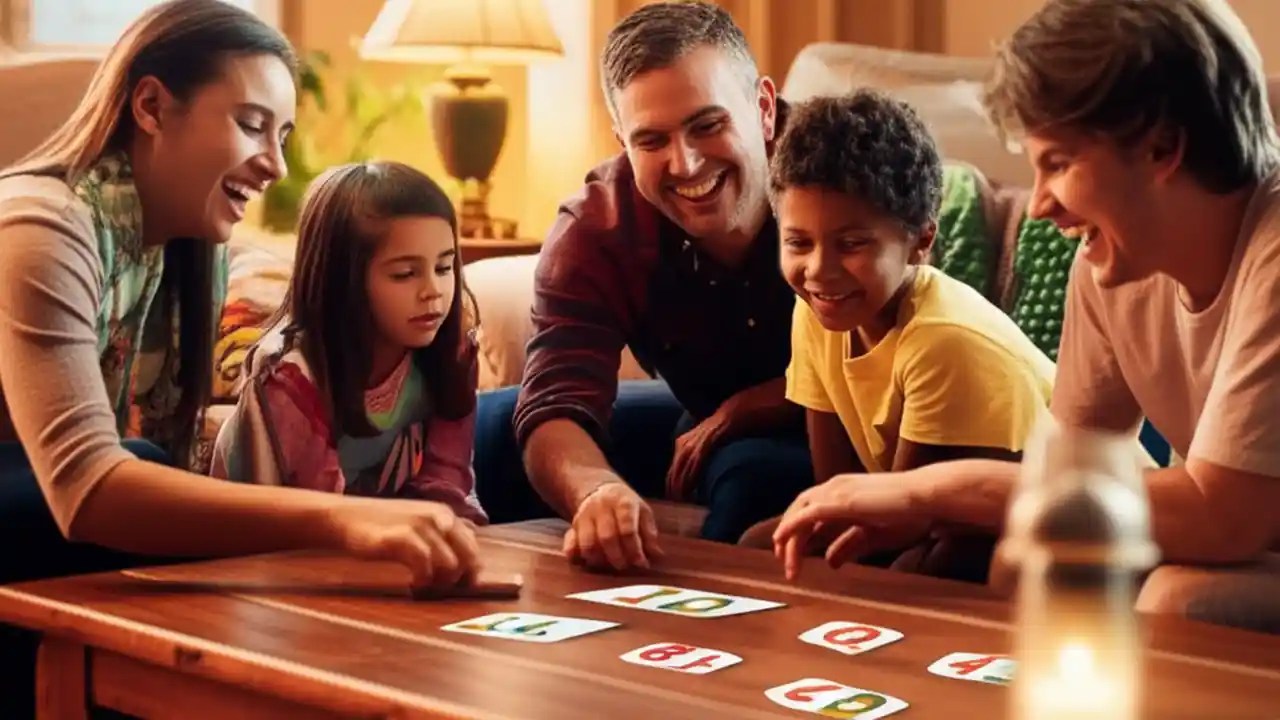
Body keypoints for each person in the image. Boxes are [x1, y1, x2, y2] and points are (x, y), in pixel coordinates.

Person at [771, 0, 1280, 633]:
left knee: (1178, 602)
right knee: (1032, 561)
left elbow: (1222, 517)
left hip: (1234, 554)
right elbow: (1067, 482)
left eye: (1058, 165)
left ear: (1163, 147)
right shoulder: (1108, 264)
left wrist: (925, 492)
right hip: (1244, 562)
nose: (1038, 206)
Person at [0, 0, 481, 595]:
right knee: (144, 461)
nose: (276, 167)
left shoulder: (195, 246)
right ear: (151, 107)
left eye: (282, 136)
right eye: (252, 125)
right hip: (44, 497)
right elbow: (86, 487)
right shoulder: (40, 228)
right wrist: (347, 518)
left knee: (511, 425)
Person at [473, 0, 813, 560]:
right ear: (622, 142)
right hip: (699, 416)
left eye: (708, 125)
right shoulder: (599, 226)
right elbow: (554, 403)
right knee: (488, 430)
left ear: (765, 109)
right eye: (651, 141)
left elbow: (902, 354)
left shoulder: (838, 173)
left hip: (828, 424)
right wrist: (598, 493)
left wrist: (746, 409)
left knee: (755, 475)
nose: (685, 164)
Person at [743, 90, 1055, 583]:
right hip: (925, 515)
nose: (819, 271)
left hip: (1047, 522)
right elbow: (836, 491)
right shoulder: (818, 312)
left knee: (918, 569)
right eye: (798, 242)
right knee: (764, 543)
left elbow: (901, 514)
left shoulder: (940, 338)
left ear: (920, 241)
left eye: (851, 245)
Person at [211, 161, 487, 534]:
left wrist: (446, 532)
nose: (433, 292)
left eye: (444, 268)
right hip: (281, 543)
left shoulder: (451, 353)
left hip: (383, 534)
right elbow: (318, 512)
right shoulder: (291, 377)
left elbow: (448, 478)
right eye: (405, 274)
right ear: (345, 280)